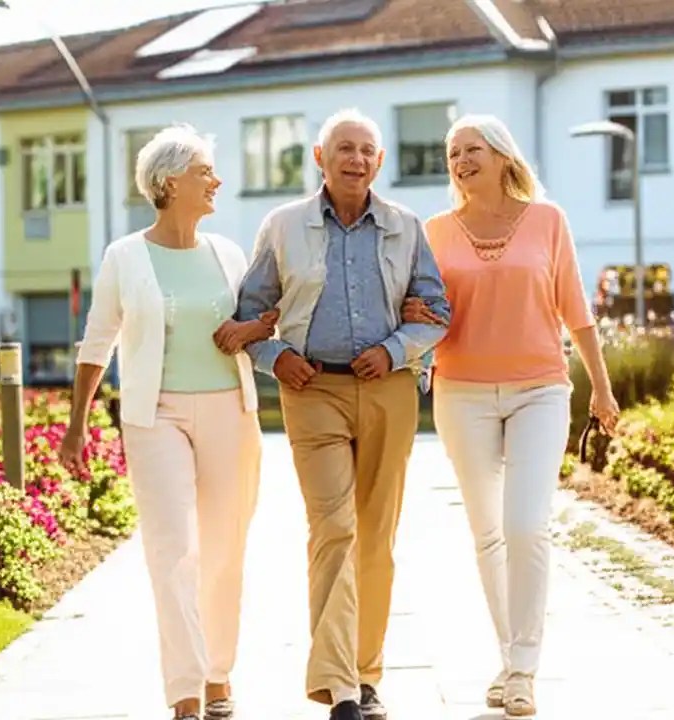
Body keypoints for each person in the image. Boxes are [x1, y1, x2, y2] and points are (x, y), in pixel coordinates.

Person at [235, 108, 451, 720]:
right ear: (319, 158)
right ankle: (340, 689)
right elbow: (252, 311)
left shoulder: (406, 227)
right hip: (313, 391)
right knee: (334, 529)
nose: (355, 159)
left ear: (379, 162)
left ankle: (367, 672)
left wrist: (394, 349)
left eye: (366, 151)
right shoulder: (282, 226)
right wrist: (276, 358)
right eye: (344, 149)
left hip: (389, 390)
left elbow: (435, 310)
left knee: (376, 537)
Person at [402, 114, 620, 718]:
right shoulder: (435, 231)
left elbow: (576, 309)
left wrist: (600, 388)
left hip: (539, 391)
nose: (460, 159)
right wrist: (416, 311)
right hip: (462, 391)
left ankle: (523, 668)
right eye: (452, 152)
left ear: (502, 156)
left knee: (526, 526)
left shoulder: (547, 221)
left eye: (472, 148)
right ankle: (510, 656)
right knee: (488, 533)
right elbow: (423, 311)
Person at [58, 124, 278, 720]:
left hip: (230, 412)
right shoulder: (125, 256)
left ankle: (218, 674)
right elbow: (97, 341)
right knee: (172, 548)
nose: (216, 181)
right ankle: (185, 691)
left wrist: (259, 327)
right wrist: (77, 424)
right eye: (205, 171)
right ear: (169, 181)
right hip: (155, 415)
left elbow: (262, 323)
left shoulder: (229, 254)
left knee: (225, 548)